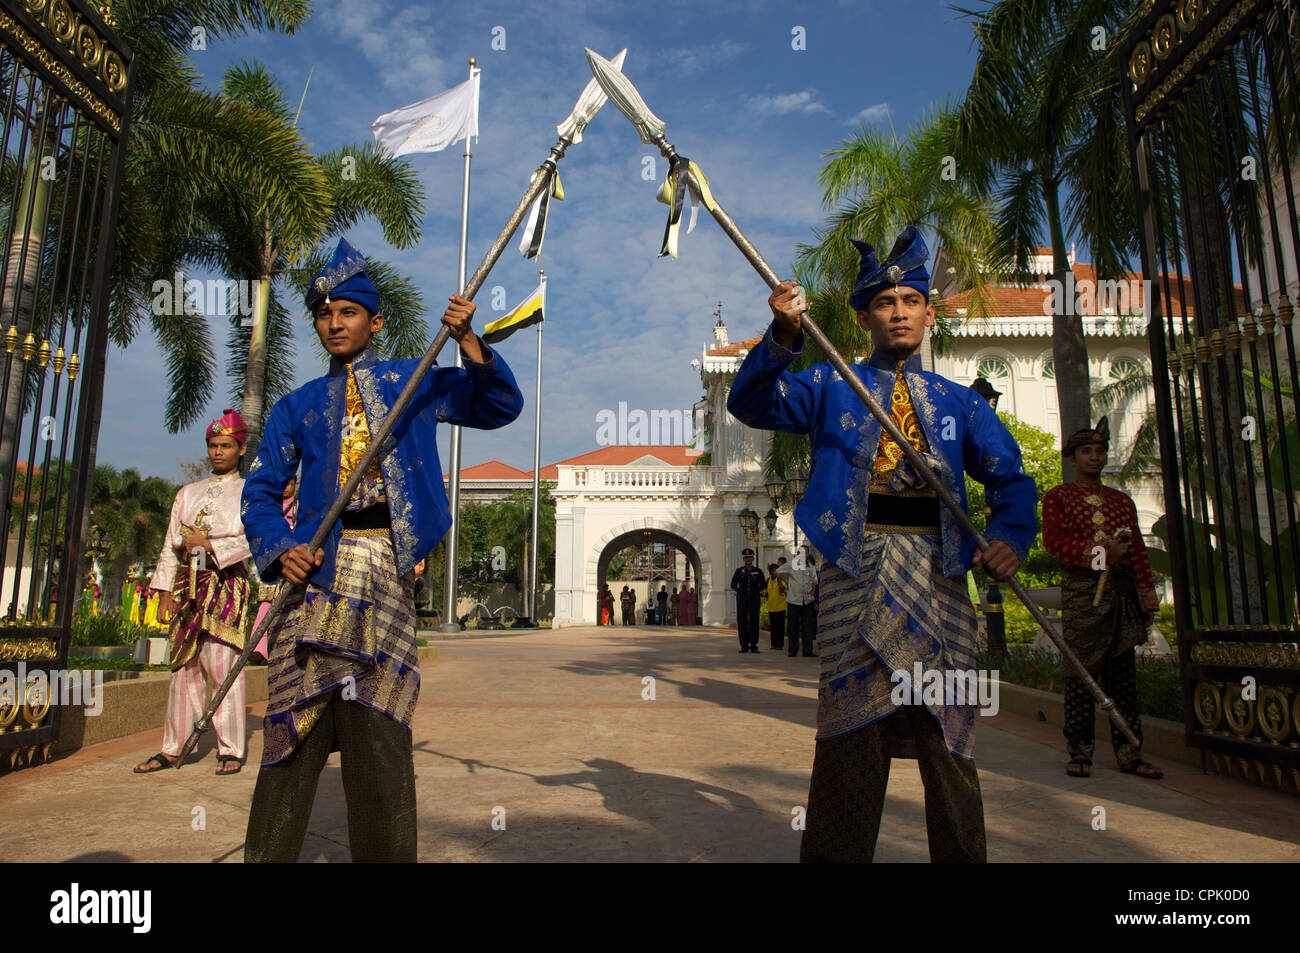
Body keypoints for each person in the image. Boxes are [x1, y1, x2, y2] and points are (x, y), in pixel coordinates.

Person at [728, 226, 1037, 862]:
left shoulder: (961, 404)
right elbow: (753, 403)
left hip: (940, 576)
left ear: (927, 311)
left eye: (910, 301)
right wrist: (784, 334)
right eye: (884, 304)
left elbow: (1012, 480)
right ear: (865, 317)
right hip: (856, 571)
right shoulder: (829, 387)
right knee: (849, 734)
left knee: (948, 738)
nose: (898, 312)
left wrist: (1007, 539)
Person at [240, 238, 524, 862]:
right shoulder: (297, 406)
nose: (334, 324)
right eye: (324, 313)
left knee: (380, 745)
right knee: (290, 738)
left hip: (384, 581)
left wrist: (468, 342)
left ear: (376, 320)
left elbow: (500, 404)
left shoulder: (413, 383)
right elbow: (260, 489)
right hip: (312, 583)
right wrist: (280, 547)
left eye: (347, 312)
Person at [1042, 418, 1163, 781]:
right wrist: (1100, 555)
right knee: (1081, 675)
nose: (1094, 458)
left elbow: (1138, 550)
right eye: (1086, 452)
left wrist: (1147, 592)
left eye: (1099, 451)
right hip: (1083, 593)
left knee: (1123, 675)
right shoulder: (1058, 497)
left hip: (1121, 594)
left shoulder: (1121, 502)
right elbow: (1055, 542)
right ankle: (1080, 750)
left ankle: (1130, 751)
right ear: (1073, 458)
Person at [135, 410, 253, 777]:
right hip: (188, 583)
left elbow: (255, 537)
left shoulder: (251, 491)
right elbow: (170, 547)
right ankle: (173, 748)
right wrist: (164, 591)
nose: (218, 452)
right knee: (183, 667)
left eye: (225, 446)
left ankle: (230, 748)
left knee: (221, 665)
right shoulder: (187, 493)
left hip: (226, 584)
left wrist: (212, 544)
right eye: (213, 446)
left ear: (240, 449)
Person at [729, 548, 765, 653]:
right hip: (742, 601)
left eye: (749, 557)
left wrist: (759, 592)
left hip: (754, 600)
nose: (748, 559)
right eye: (746, 558)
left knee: (754, 623)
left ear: (753, 558)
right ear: (744, 559)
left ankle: (754, 645)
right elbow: (733, 585)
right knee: (742, 623)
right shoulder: (739, 571)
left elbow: (763, 585)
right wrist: (741, 592)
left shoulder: (758, 571)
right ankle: (744, 645)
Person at [785, 545, 817, 658]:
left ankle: (807, 650)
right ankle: (793, 650)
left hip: (807, 600)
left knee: (807, 626)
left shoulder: (811, 567)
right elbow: (780, 574)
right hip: (793, 600)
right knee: (793, 626)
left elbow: (814, 583)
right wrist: (789, 587)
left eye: (806, 553)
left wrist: (812, 595)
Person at [766, 563, 787, 650]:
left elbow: (782, 590)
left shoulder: (781, 580)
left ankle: (780, 644)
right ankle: (773, 644)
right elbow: (766, 592)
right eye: (773, 571)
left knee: (780, 627)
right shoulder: (768, 580)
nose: (775, 572)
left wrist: (779, 579)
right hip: (771, 607)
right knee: (773, 627)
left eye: (776, 571)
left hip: (780, 607)